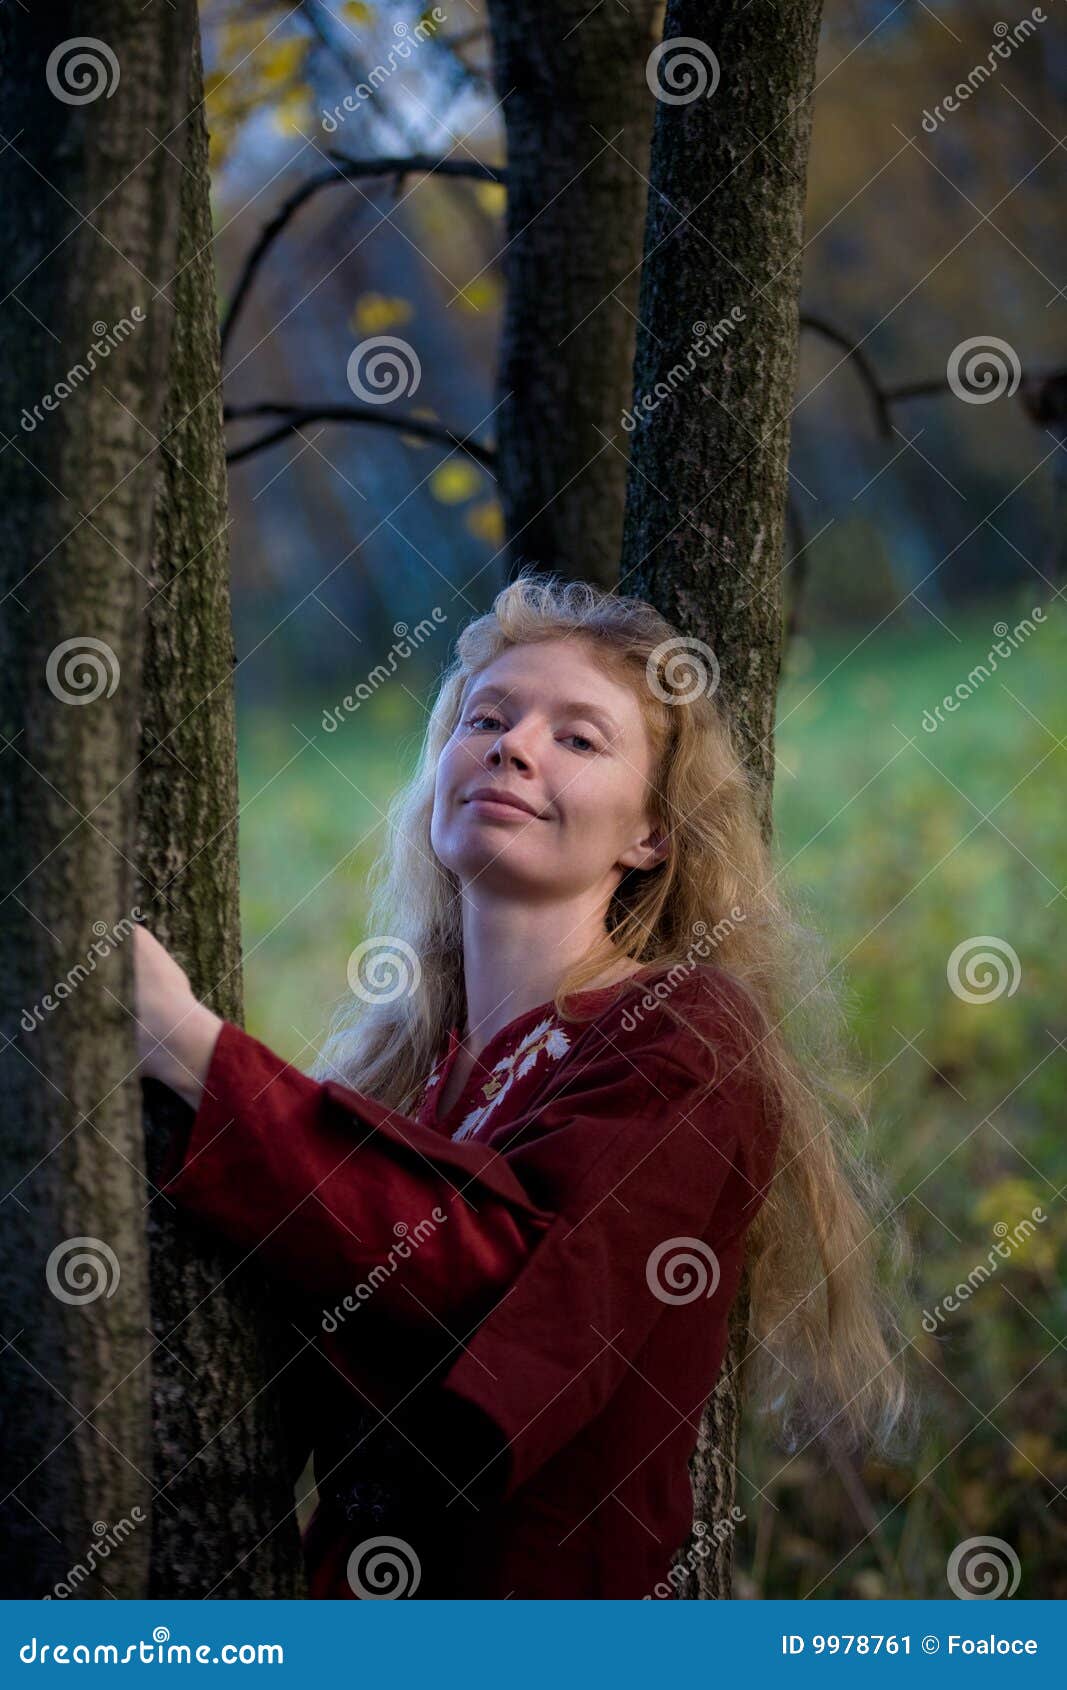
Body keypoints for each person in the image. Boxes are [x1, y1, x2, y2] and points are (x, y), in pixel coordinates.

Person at [134, 571, 910, 1599]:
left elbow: (501, 1287)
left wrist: (191, 1050)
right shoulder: (415, 1076)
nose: (512, 745)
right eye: (488, 718)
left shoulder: (682, 1035)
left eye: (578, 738)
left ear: (649, 834)